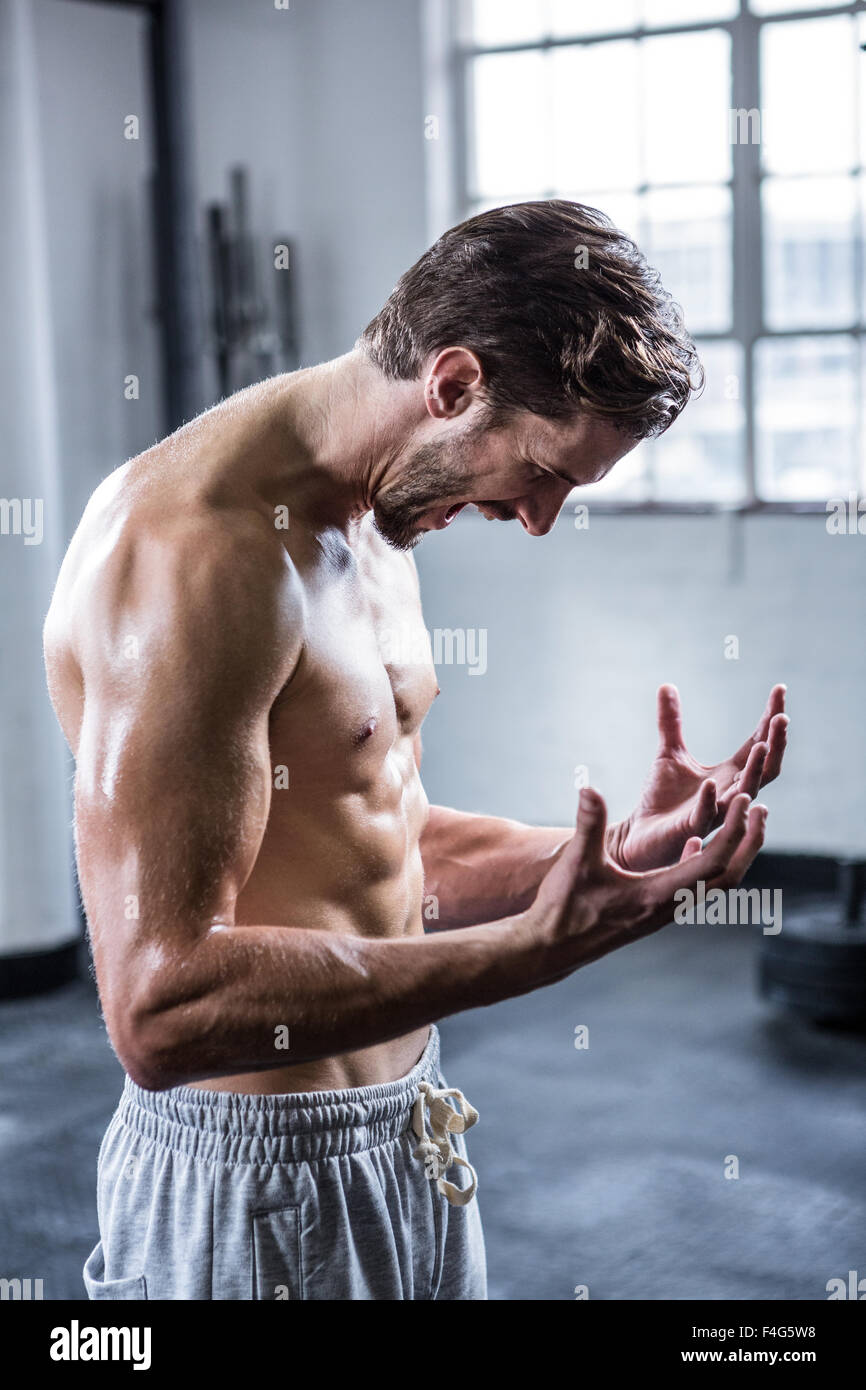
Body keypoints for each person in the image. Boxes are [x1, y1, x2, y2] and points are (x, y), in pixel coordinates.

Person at [43, 200, 787, 1300]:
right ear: (450, 384)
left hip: (408, 1133)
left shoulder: (376, 519)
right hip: (255, 1189)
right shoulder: (193, 552)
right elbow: (161, 1005)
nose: (534, 519)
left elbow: (372, 844)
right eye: (540, 472)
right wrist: (532, 953)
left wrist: (611, 854)